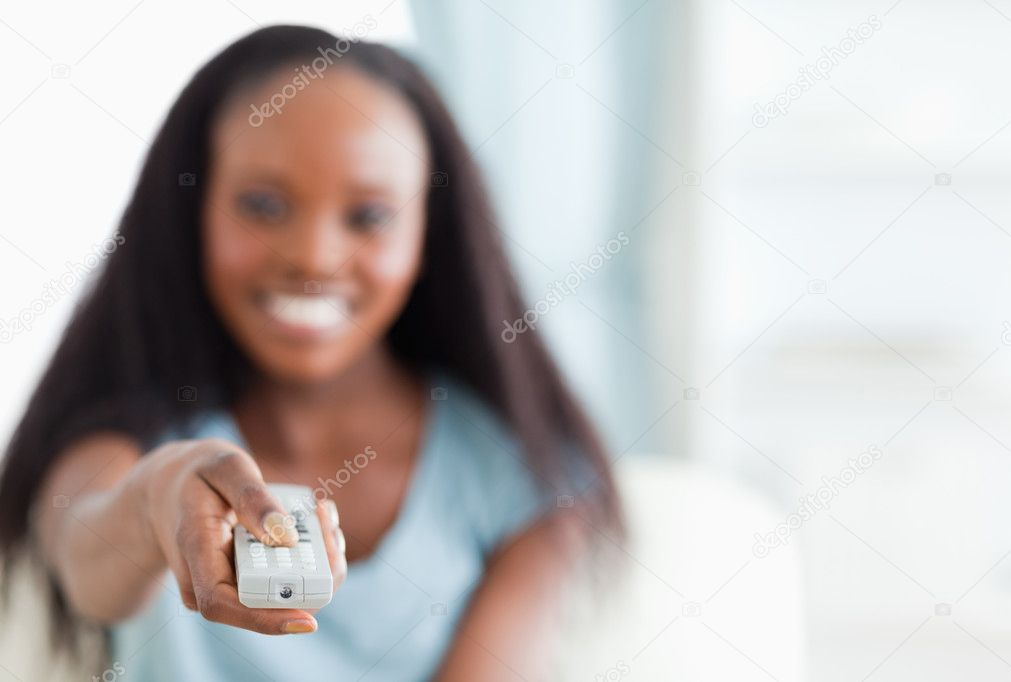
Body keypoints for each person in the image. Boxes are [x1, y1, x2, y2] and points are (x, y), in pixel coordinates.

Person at [0, 25, 621, 681]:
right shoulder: (124, 439)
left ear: (428, 234)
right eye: (263, 205)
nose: (313, 257)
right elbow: (86, 555)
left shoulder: (526, 477)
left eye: (369, 216)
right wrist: (156, 499)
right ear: (192, 211)